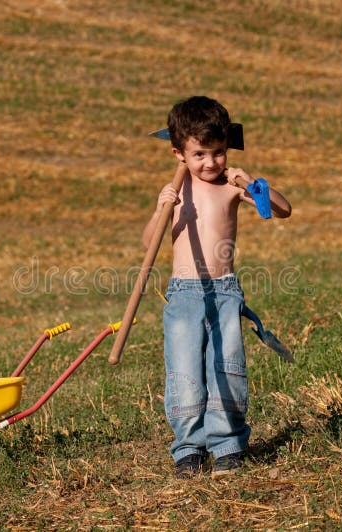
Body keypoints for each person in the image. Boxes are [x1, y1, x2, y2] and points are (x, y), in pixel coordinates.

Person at [142, 96, 292, 479]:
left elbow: (281, 208)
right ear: (179, 153)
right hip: (184, 294)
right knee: (185, 373)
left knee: (227, 368)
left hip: (224, 291)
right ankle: (189, 449)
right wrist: (164, 209)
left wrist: (250, 181)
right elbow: (149, 243)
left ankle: (227, 444)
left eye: (219, 152)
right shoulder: (175, 193)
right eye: (200, 155)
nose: (211, 163)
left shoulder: (230, 186)